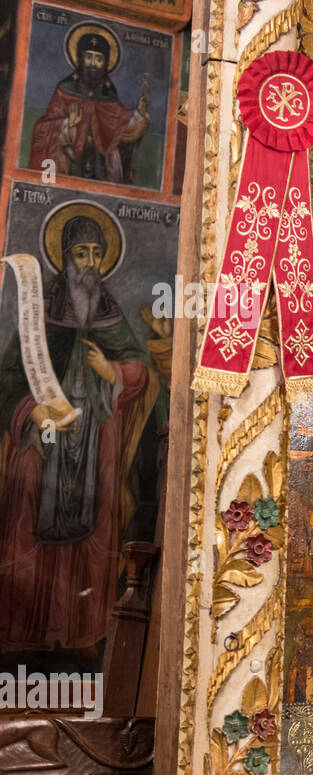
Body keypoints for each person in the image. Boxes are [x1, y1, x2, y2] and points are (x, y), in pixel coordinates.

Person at [0, 215, 156, 654]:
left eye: (96, 254)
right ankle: (24, 634)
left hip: (95, 439)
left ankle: (81, 633)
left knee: (95, 529)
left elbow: (142, 374)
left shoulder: (108, 312)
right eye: (80, 253)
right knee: (29, 519)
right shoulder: (41, 314)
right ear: (65, 256)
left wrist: (113, 371)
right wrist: (31, 412)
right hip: (44, 439)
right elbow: (9, 378)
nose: (89, 263)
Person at [29, 28, 150, 184]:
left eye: (98, 59)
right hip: (70, 165)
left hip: (102, 169)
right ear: (80, 58)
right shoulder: (65, 90)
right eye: (88, 57)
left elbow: (119, 126)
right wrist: (67, 125)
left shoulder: (108, 94)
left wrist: (139, 115)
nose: (93, 63)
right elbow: (43, 129)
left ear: (106, 63)